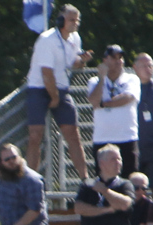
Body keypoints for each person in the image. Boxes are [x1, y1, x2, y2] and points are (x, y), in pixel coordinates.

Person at [24, 3, 89, 181]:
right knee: (35, 134)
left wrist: (82, 61)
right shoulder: (47, 40)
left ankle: (85, 179)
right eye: (71, 20)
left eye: (77, 20)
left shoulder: (75, 39)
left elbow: (72, 64)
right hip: (39, 88)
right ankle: (32, 178)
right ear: (61, 20)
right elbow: (46, 73)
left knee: (73, 134)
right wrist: (53, 97)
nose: (75, 23)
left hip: (60, 87)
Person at [86, 45, 139, 174]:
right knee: (104, 178)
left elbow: (127, 98)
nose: (118, 61)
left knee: (129, 177)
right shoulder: (94, 81)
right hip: (103, 138)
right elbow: (93, 101)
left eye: (120, 57)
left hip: (127, 137)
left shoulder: (131, 79)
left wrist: (104, 104)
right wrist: (102, 78)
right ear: (105, 60)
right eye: (114, 57)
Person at [0, 142, 46, 225]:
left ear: (20, 157)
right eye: (7, 159)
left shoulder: (32, 180)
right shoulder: (4, 180)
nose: (11, 161)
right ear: (1, 162)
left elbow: (34, 211)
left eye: (14, 157)